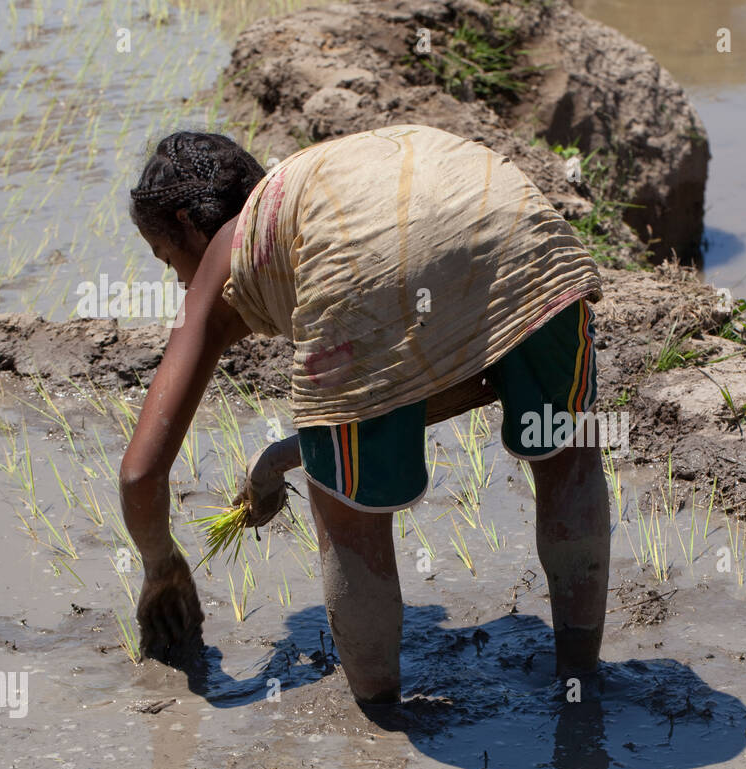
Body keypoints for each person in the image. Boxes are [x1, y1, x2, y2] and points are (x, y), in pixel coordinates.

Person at [119, 126, 610, 707]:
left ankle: (379, 729)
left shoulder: (228, 248)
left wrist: (161, 568)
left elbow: (140, 474)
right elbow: (458, 379)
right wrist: (282, 458)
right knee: (566, 457)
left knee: (350, 519)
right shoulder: (316, 181)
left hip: (369, 267)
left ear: (187, 222)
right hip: (516, 222)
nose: (179, 278)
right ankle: (581, 680)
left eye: (168, 258)